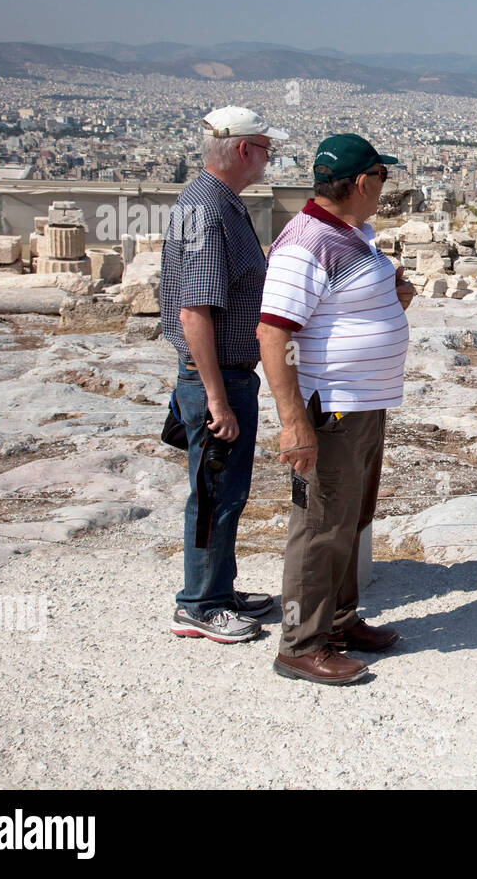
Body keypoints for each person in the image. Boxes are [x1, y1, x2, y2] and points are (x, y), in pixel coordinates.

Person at [257, 134, 415, 685]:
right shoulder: (306, 243)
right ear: (361, 181)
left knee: (351, 519)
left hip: (364, 403)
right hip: (331, 411)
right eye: (382, 177)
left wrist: (390, 298)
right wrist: (294, 420)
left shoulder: (348, 235)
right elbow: (273, 333)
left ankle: (341, 622)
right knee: (320, 525)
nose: (384, 189)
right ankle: (301, 643)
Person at [162, 105, 287, 643]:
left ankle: (219, 588)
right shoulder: (207, 211)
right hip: (219, 378)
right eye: (266, 147)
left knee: (227, 490)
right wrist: (215, 397)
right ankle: (199, 604)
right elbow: (195, 310)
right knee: (213, 492)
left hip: (229, 374)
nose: (269, 157)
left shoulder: (217, 203)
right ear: (243, 150)